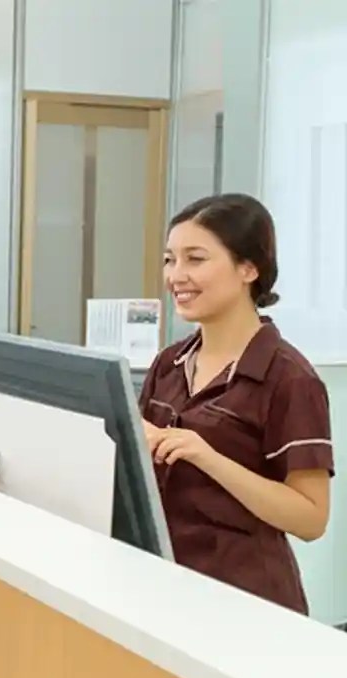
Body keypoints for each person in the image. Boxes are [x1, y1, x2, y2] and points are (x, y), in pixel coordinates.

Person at [139, 193, 332, 615]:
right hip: (165, 587)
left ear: (249, 268)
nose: (176, 276)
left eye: (196, 259)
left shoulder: (290, 379)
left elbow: (310, 518)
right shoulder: (169, 364)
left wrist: (205, 456)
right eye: (170, 259)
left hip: (247, 603)